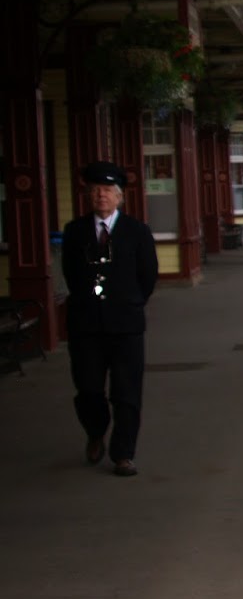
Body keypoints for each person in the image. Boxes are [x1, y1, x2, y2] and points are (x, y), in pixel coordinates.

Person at [61, 161, 158, 477]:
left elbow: (148, 276)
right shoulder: (75, 232)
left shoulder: (137, 231)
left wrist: (128, 303)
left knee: (126, 392)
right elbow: (71, 275)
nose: (100, 196)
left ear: (119, 197)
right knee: (88, 390)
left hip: (125, 325)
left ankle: (123, 454)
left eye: (106, 191)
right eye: (95, 191)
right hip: (86, 326)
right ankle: (95, 430)